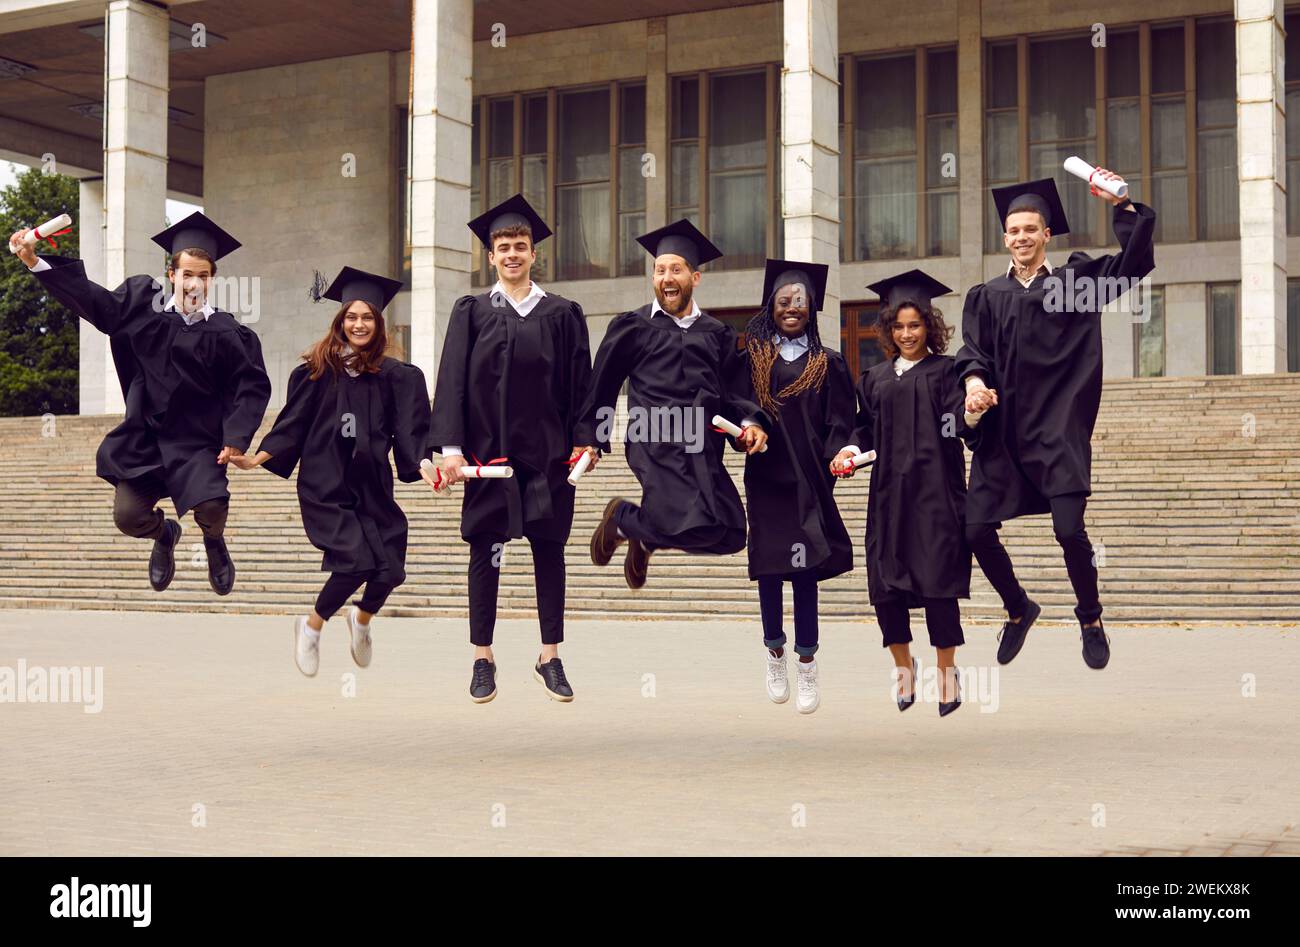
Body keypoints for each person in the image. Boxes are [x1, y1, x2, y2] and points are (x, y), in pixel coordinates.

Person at [10, 212, 270, 597]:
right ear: (172, 275)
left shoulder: (230, 334)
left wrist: (235, 435)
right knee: (128, 517)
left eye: (203, 275)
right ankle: (165, 534)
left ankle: (214, 543)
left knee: (213, 507)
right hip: (145, 440)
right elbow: (93, 300)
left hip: (197, 444)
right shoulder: (140, 309)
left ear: (213, 278)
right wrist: (35, 261)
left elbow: (251, 385)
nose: (194, 283)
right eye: (187, 275)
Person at [955, 174, 1156, 670]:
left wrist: (1124, 206)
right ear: (1004, 238)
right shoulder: (986, 296)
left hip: (1056, 433)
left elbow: (1131, 266)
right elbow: (972, 353)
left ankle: (1090, 616)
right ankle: (1019, 608)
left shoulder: (1074, 286)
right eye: (1013, 230)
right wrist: (974, 385)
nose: (1021, 237)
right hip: (1002, 435)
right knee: (974, 529)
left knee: (1069, 531)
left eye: (1030, 229)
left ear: (1047, 234)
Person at [429, 194, 593, 704]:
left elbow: (581, 384)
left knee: (551, 553)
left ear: (534, 253)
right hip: (488, 460)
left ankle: (550, 655)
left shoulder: (563, 314)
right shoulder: (473, 311)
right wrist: (451, 448)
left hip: (546, 459)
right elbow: (452, 378)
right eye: (503, 247)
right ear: (492, 256)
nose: (513, 254)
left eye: (520, 246)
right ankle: (483, 657)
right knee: (486, 553)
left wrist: (587, 439)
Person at [231, 267, 430, 677]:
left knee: (391, 569)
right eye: (352, 317)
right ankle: (311, 626)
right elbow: (292, 425)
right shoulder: (316, 373)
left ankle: (360, 620)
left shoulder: (395, 377)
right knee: (356, 561)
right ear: (340, 322)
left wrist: (425, 463)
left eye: (367, 318)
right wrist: (256, 458)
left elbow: (411, 432)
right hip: (327, 484)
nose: (359, 325)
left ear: (379, 324)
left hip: (372, 485)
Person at [576, 219, 770, 590]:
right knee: (681, 516)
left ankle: (639, 533)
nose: (667, 277)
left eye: (676, 269)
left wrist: (750, 423)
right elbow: (602, 383)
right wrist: (591, 436)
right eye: (660, 270)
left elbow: (733, 391)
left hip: (702, 445)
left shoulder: (716, 333)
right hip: (655, 441)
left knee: (730, 533)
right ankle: (621, 518)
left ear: (694, 278)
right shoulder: (633, 327)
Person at [835, 271, 976, 717]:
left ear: (928, 327)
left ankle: (948, 675)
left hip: (937, 498)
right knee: (887, 590)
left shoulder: (947, 371)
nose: (907, 333)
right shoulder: (873, 379)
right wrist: (850, 451)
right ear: (888, 330)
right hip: (889, 499)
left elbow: (960, 421)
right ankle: (903, 668)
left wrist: (971, 413)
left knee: (939, 588)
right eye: (899, 326)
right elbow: (862, 428)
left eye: (915, 325)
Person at [739, 259, 854, 715]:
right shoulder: (752, 359)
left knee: (805, 571)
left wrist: (841, 452)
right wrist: (748, 424)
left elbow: (844, 421)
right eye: (783, 301)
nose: (791, 308)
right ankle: (774, 652)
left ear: (812, 309)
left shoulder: (829, 364)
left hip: (811, 479)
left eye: (800, 302)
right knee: (769, 567)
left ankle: (807, 660)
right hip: (767, 476)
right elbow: (737, 403)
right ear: (772, 305)